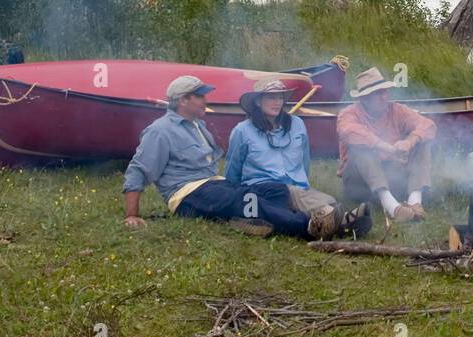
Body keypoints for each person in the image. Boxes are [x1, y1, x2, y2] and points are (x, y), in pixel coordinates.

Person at [122, 74, 336, 239]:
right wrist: (131, 215)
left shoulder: (197, 126)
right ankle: (307, 226)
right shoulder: (160, 130)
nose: (205, 100)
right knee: (246, 200)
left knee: (274, 190)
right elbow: (138, 169)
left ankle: (247, 220)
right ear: (183, 100)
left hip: (214, 185)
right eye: (200, 96)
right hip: (187, 194)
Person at [225, 79, 371, 237]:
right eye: (271, 98)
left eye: (280, 97)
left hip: (296, 188)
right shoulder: (242, 131)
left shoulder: (297, 124)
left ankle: (338, 222)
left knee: (328, 201)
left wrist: (302, 185)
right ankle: (336, 223)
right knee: (312, 206)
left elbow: (304, 161)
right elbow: (233, 169)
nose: (277, 102)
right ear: (258, 102)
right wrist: (239, 199)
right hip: (264, 189)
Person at [336, 66, 436, 222]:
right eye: (379, 93)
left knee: (421, 139)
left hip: (393, 175)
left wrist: (410, 141)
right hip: (359, 183)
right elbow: (350, 132)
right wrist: (388, 148)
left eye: (385, 91)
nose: (385, 97)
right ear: (365, 98)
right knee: (361, 146)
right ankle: (392, 207)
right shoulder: (348, 113)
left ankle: (415, 202)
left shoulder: (396, 109)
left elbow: (428, 125)